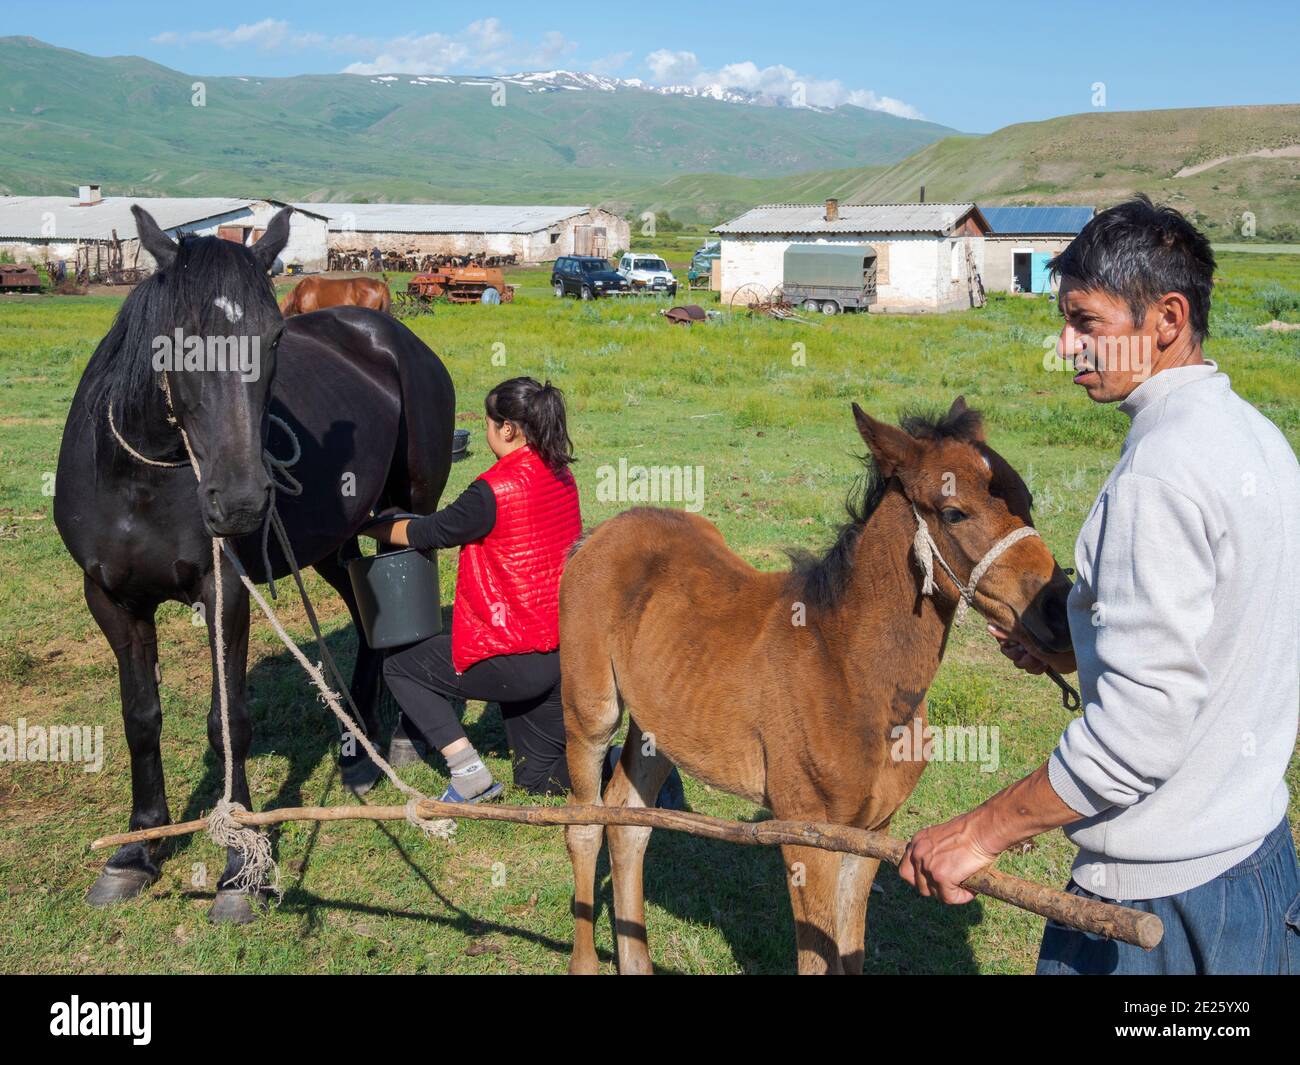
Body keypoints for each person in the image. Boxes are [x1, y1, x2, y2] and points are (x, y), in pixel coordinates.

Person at [898, 196, 1300, 974]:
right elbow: (1238, 621)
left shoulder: (1160, 474)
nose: (1066, 346)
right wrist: (1088, 646)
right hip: (1257, 866)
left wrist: (977, 833)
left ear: (1167, 318)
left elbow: (1138, 736)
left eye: (1086, 322)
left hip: (1157, 906)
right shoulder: (1259, 440)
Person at [365, 377, 582, 802]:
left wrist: (367, 524)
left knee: (400, 667)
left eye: (487, 423)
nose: (485, 433)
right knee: (539, 779)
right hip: (563, 652)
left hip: (513, 653)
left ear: (506, 428)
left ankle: (468, 774)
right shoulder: (561, 475)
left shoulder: (492, 490)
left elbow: (430, 531)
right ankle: (631, 766)